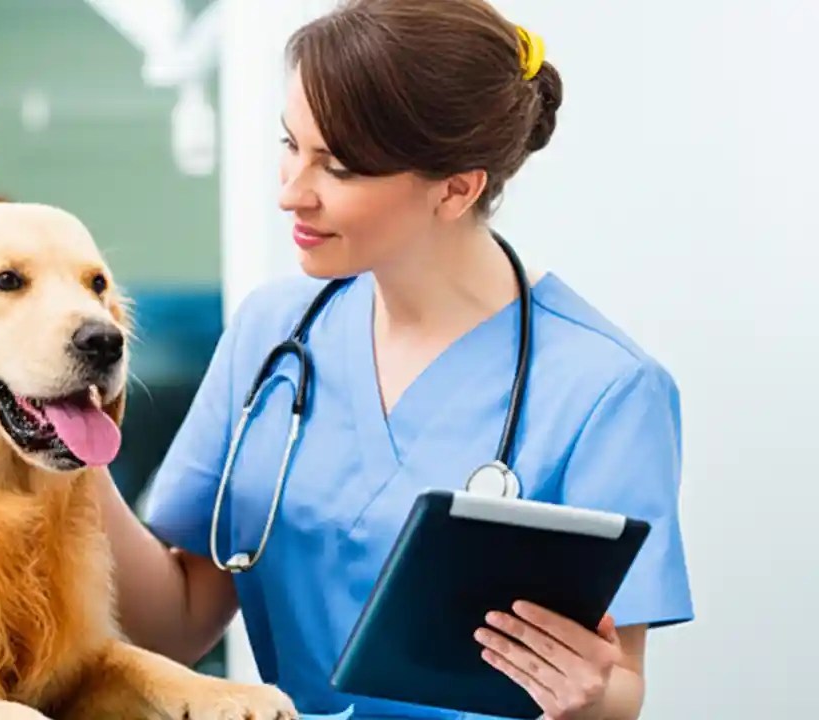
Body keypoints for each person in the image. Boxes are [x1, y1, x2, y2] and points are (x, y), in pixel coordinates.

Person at [92, 0, 695, 718]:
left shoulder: (605, 390)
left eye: (338, 168)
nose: (291, 193)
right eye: (291, 145)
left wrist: (585, 696)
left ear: (458, 188)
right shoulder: (271, 332)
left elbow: (619, 687)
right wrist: (75, 461)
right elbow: (174, 627)